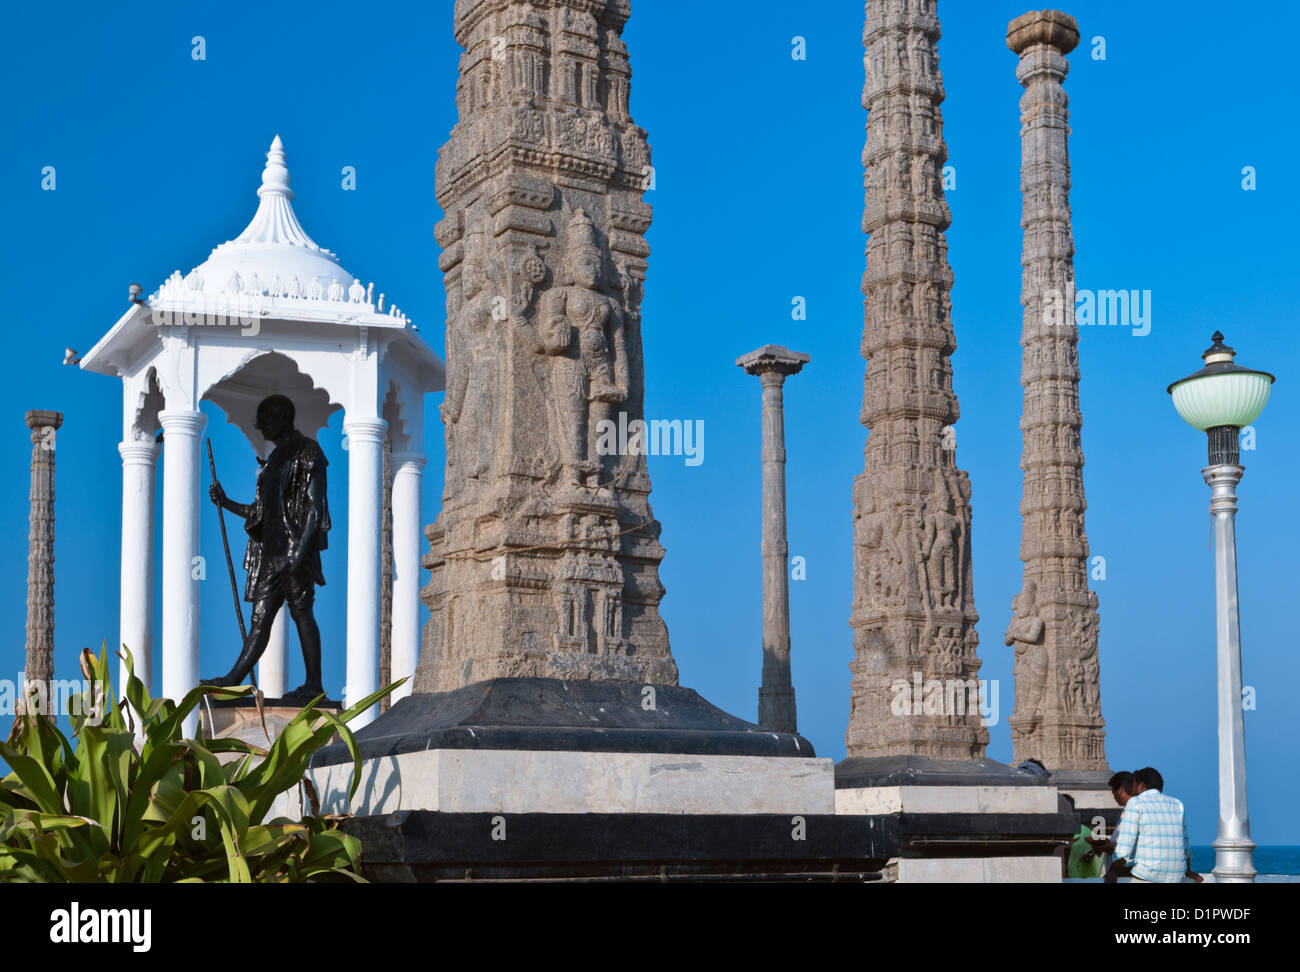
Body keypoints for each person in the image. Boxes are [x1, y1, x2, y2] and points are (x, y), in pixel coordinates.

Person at [203, 395, 329, 703]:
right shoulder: (273, 461)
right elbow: (259, 512)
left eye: (268, 418)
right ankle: (233, 681)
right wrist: (225, 501)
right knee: (260, 619)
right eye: (261, 420)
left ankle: (314, 685)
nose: (262, 425)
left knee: (302, 613)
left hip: (293, 551)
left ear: (285, 417)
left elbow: (316, 510)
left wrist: (299, 555)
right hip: (270, 556)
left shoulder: (307, 451)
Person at [1107, 767, 1202, 883]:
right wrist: (1188, 871)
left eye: (1134, 784)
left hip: (1148, 874)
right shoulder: (1177, 804)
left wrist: (1113, 870)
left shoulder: (1136, 803)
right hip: (1176, 876)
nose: (1132, 789)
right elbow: (1185, 844)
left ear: (1142, 785)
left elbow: (1125, 846)